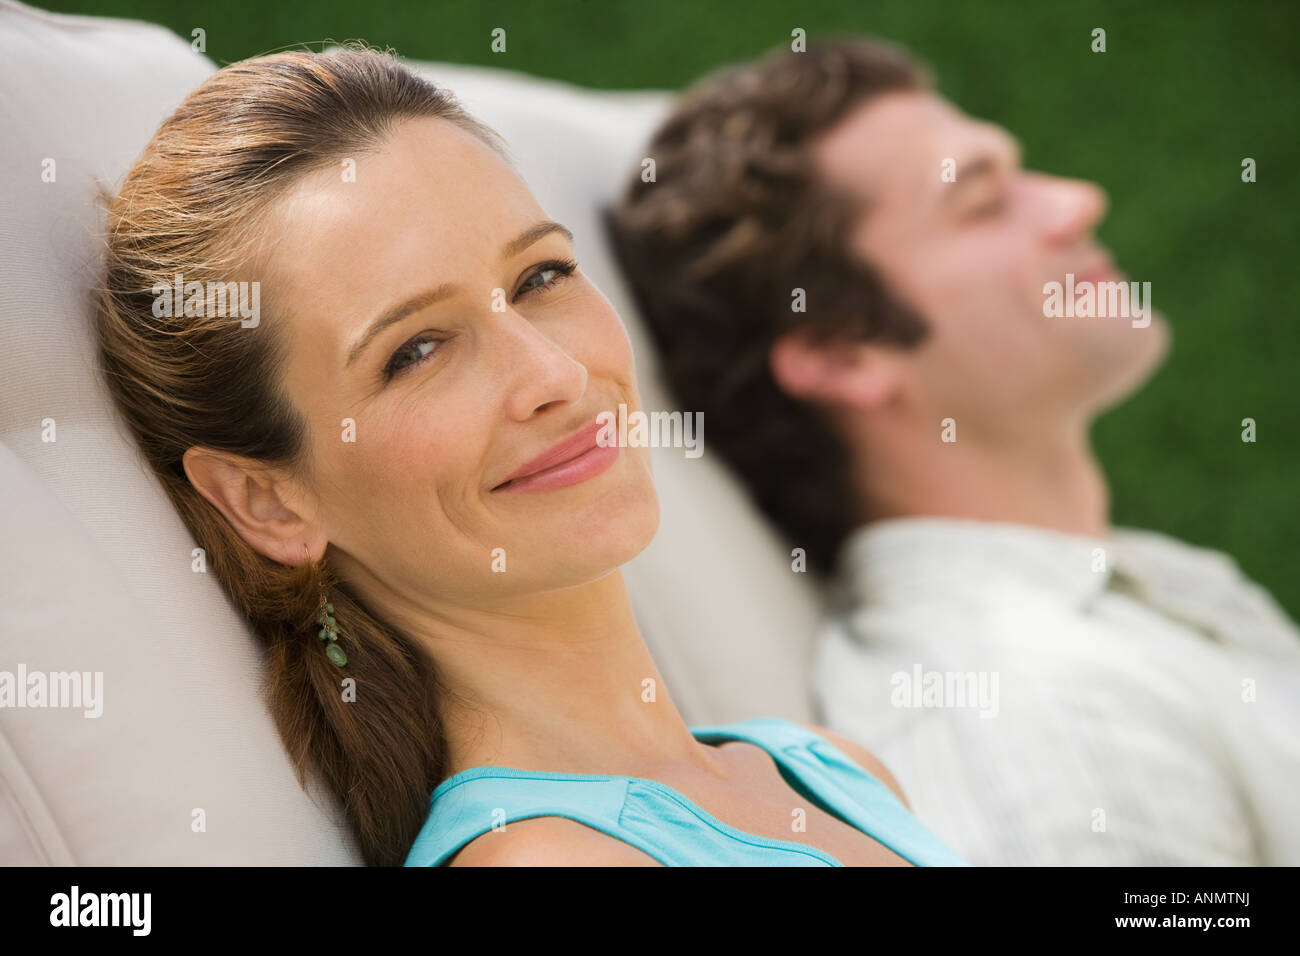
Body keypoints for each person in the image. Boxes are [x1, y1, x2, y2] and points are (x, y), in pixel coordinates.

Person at [92, 44, 967, 868]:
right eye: (416, 350)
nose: (553, 373)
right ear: (265, 501)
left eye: (541, 277)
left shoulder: (823, 770)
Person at [605, 35, 1300, 865]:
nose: (1077, 200)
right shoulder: (1037, 720)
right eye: (983, 202)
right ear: (844, 353)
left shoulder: (1127, 601)